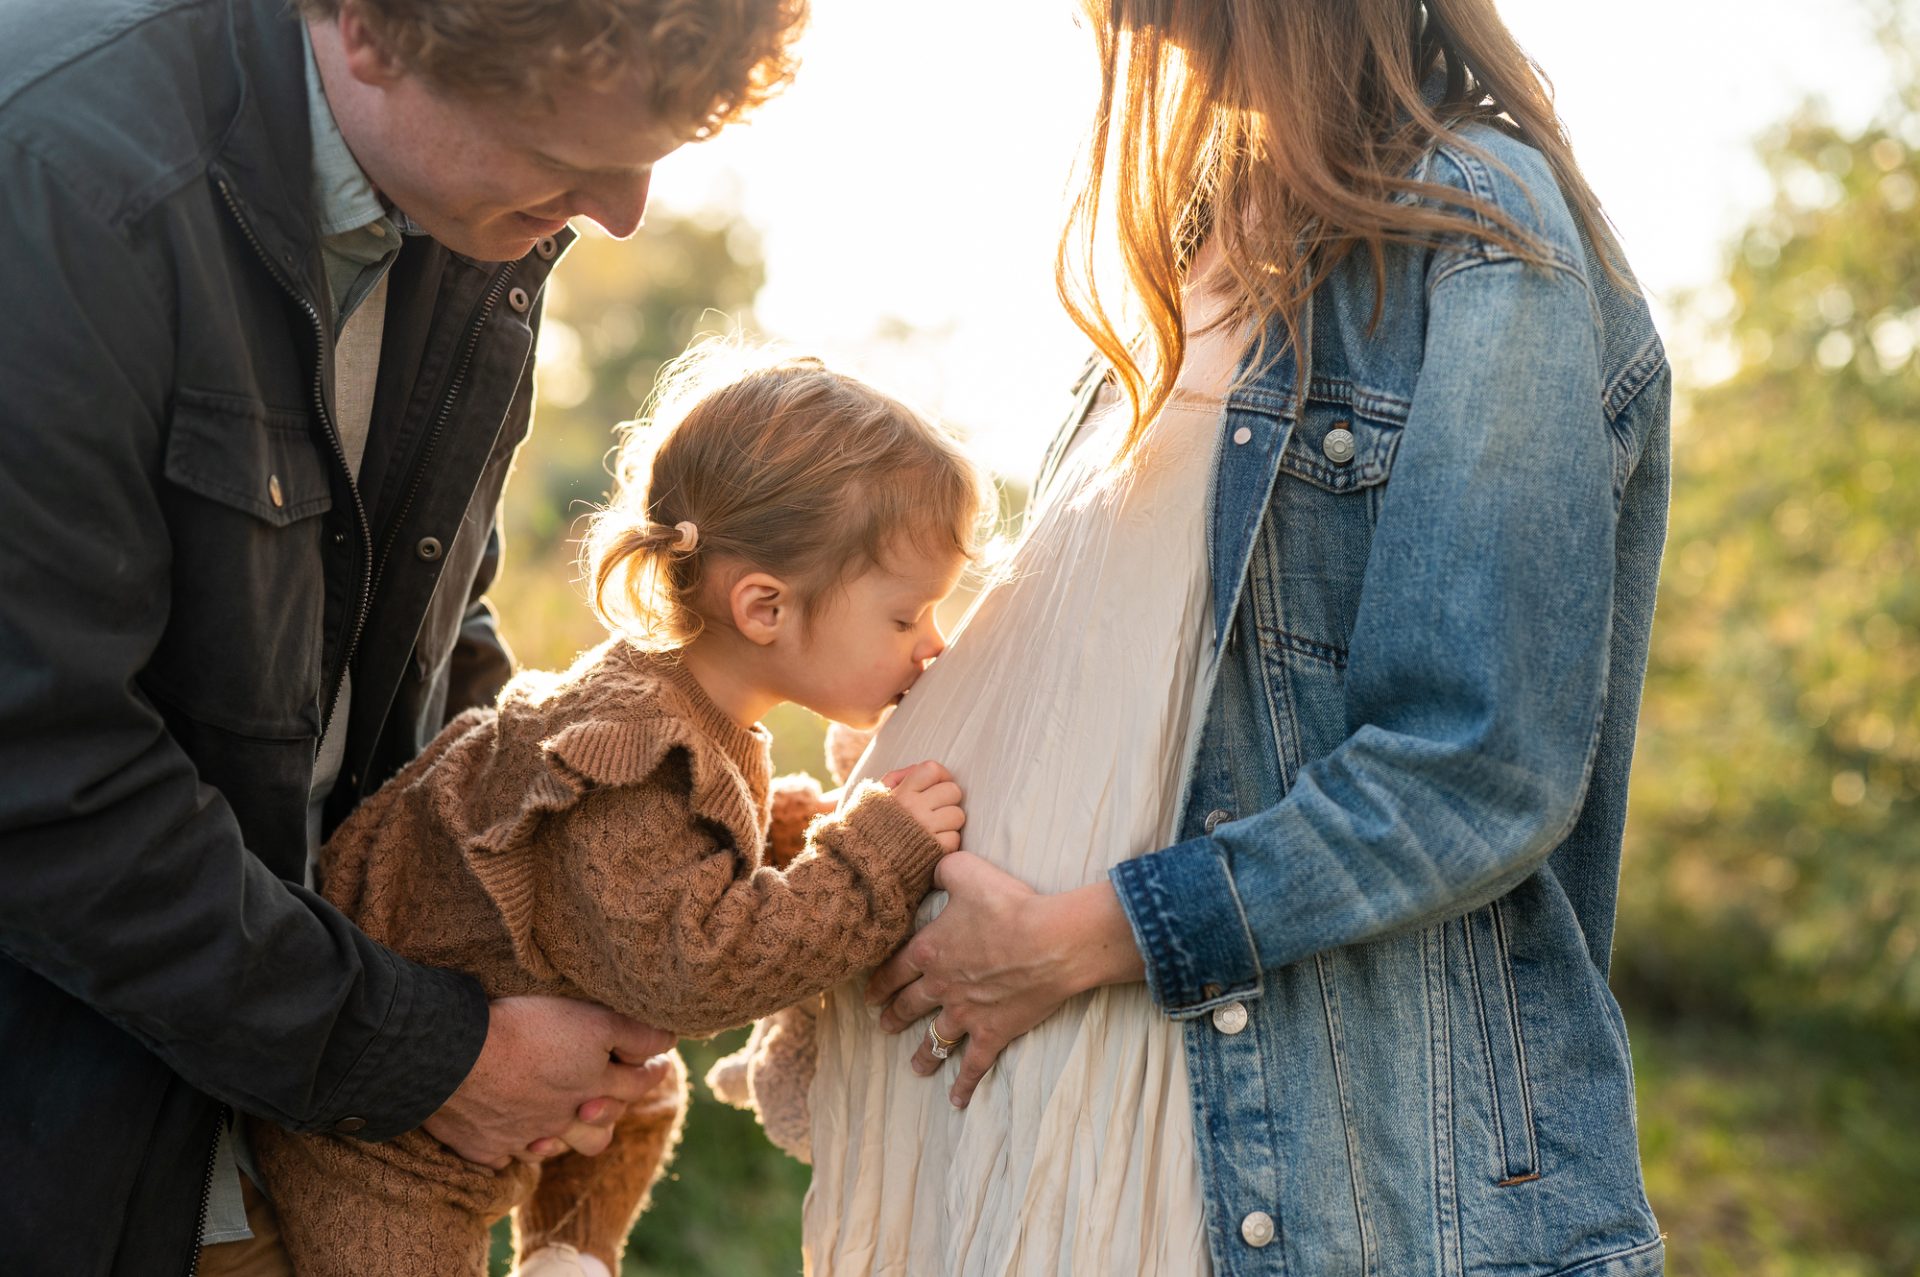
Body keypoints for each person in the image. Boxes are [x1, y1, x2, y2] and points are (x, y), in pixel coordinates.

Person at [797, 1, 1673, 1273]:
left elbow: (1475, 760)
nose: (1137, 34)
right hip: (1081, 1156)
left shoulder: (1484, 235)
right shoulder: (1201, 248)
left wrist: (1084, 936)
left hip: (1350, 1182)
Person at [0, 0, 804, 1273]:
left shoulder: (470, 207)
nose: (624, 210)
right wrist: (431, 1052)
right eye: (571, 152)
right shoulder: (52, 177)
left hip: (298, 1137)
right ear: (371, 28)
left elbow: (411, 618)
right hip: (74, 1155)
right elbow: (39, 771)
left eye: (653, 150)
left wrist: (582, 853)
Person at [252, 349, 983, 1277]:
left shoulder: (690, 708)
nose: (933, 644)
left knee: (641, 1089)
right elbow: (694, 969)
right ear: (765, 605)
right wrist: (871, 858)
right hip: (379, 1146)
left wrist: (805, 825)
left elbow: (700, 847)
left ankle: (568, 1257)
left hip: (507, 1045)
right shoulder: (637, 750)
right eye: (905, 616)